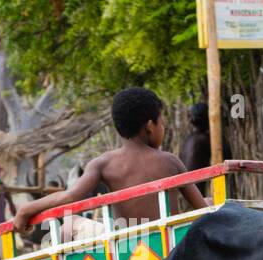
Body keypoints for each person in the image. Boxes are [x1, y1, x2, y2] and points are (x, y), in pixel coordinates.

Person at [13, 87, 206, 236]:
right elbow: (203, 210)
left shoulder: (102, 163)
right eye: (161, 123)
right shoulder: (170, 161)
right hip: (169, 244)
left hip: (126, 248)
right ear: (150, 126)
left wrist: (26, 209)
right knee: (210, 201)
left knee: (70, 224)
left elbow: (69, 197)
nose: (162, 127)